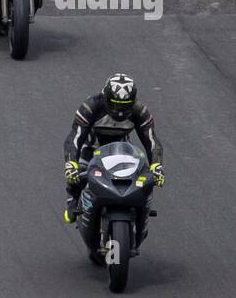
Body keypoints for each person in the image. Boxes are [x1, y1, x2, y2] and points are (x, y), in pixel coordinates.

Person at [63, 73, 165, 226]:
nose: (120, 111)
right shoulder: (90, 107)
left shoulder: (140, 111)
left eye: (125, 105)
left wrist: (156, 165)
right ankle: (74, 200)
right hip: (91, 149)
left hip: (121, 151)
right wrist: (71, 163)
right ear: (105, 98)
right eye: (115, 104)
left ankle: (141, 212)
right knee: (77, 176)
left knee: (146, 178)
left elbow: (151, 140)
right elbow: (75, 137)